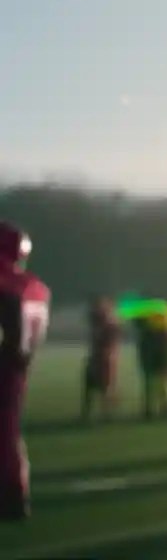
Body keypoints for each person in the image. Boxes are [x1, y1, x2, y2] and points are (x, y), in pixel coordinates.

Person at [0, 221, 50, 521]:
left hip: (5, 362)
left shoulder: (6, 284)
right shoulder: (35, 286)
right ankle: (16, 494)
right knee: (8, 432)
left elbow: (8, 328)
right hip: (20, 365)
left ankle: (11, 499)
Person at [82, 295, 123, 423]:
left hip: (106, 357)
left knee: (106, 386)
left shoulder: (111, 323)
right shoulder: (98, 319)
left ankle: (106, 413)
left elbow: (112, 339)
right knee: (89, 384)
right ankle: (87, 412)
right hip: (96, 356)